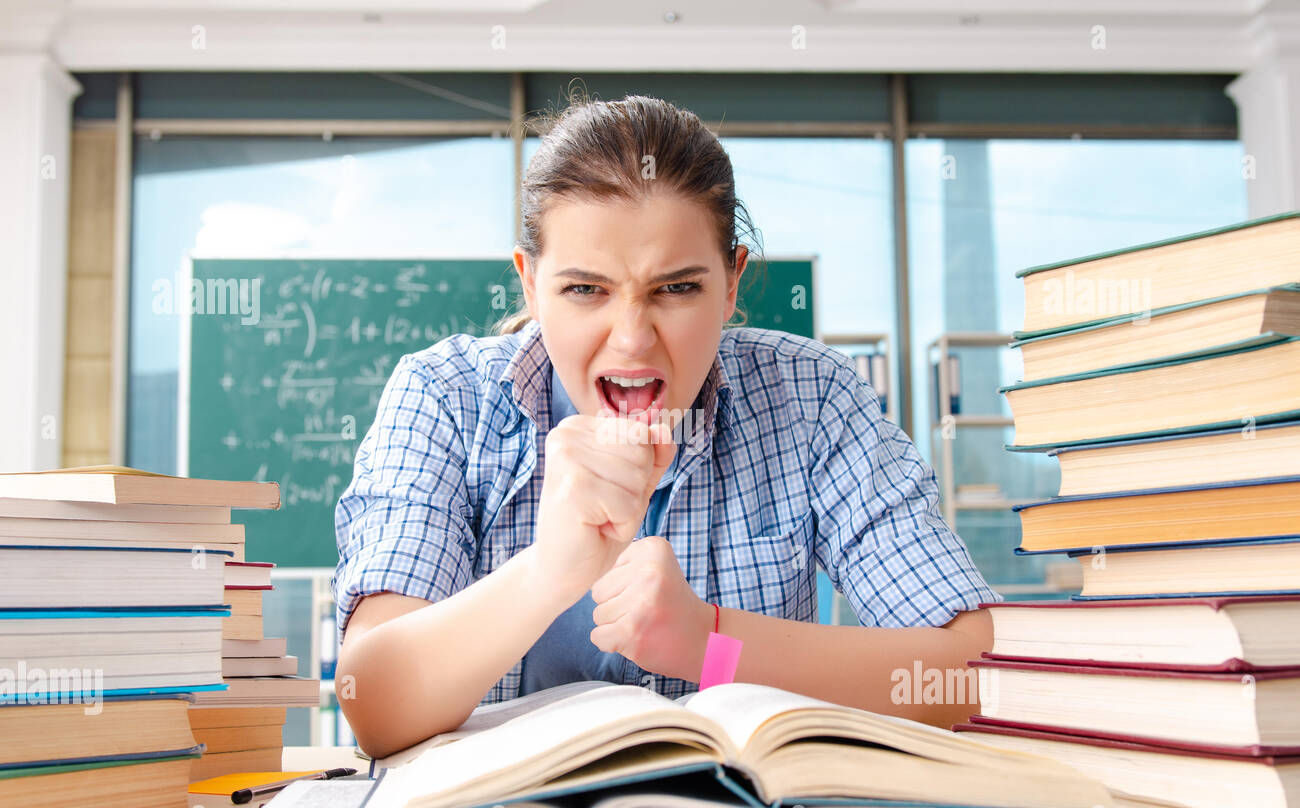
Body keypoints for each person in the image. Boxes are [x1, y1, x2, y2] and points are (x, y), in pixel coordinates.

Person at [332, 93, 1001, 759]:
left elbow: (975, 676)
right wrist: (547, 575)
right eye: (585, 289)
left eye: (676, 289)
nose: (631, 341)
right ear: (530, 282)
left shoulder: (813, 399)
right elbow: (374, 705)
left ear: (732, 282)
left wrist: (709, 643)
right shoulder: (444, 398)